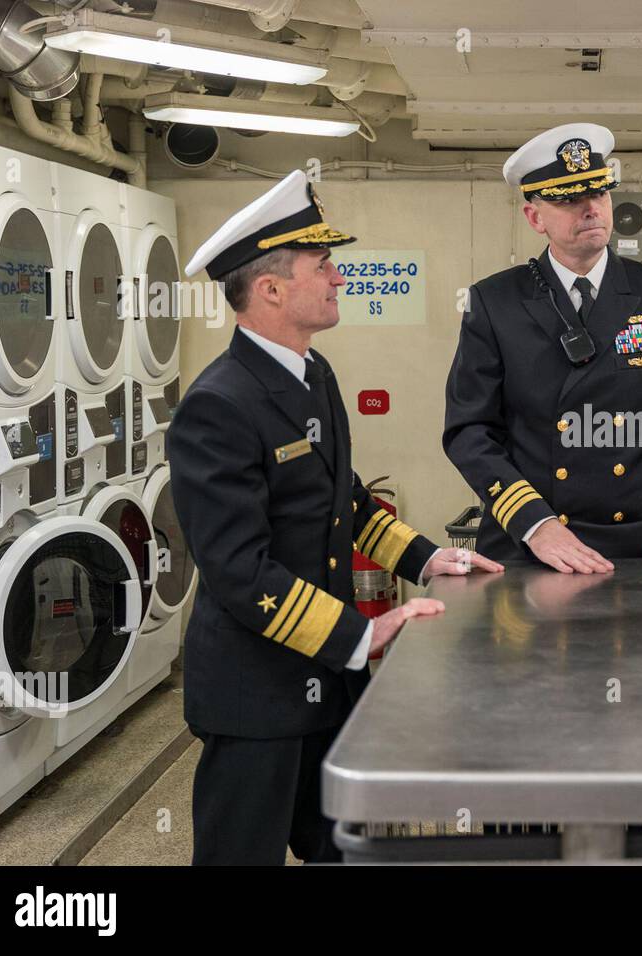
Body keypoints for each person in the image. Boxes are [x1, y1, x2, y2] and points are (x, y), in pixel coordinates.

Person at [170, 170, 503, 865]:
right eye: (323, 266)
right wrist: (365, 633)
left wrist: (426, 560)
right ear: (270, 289)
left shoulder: (312, 374)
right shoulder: (218, 405)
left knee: (348, 852)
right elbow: (237, 571)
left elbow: (343, 502)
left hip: (328, 683)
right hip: (254, 693)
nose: (340, 279)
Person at [444, 123, 642, 572]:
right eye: (568, 199)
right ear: (535, 217)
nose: (590, 209)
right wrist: (534, 523)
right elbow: (470, 431)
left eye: (599, 194)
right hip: (531, 543)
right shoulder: (494, 301)